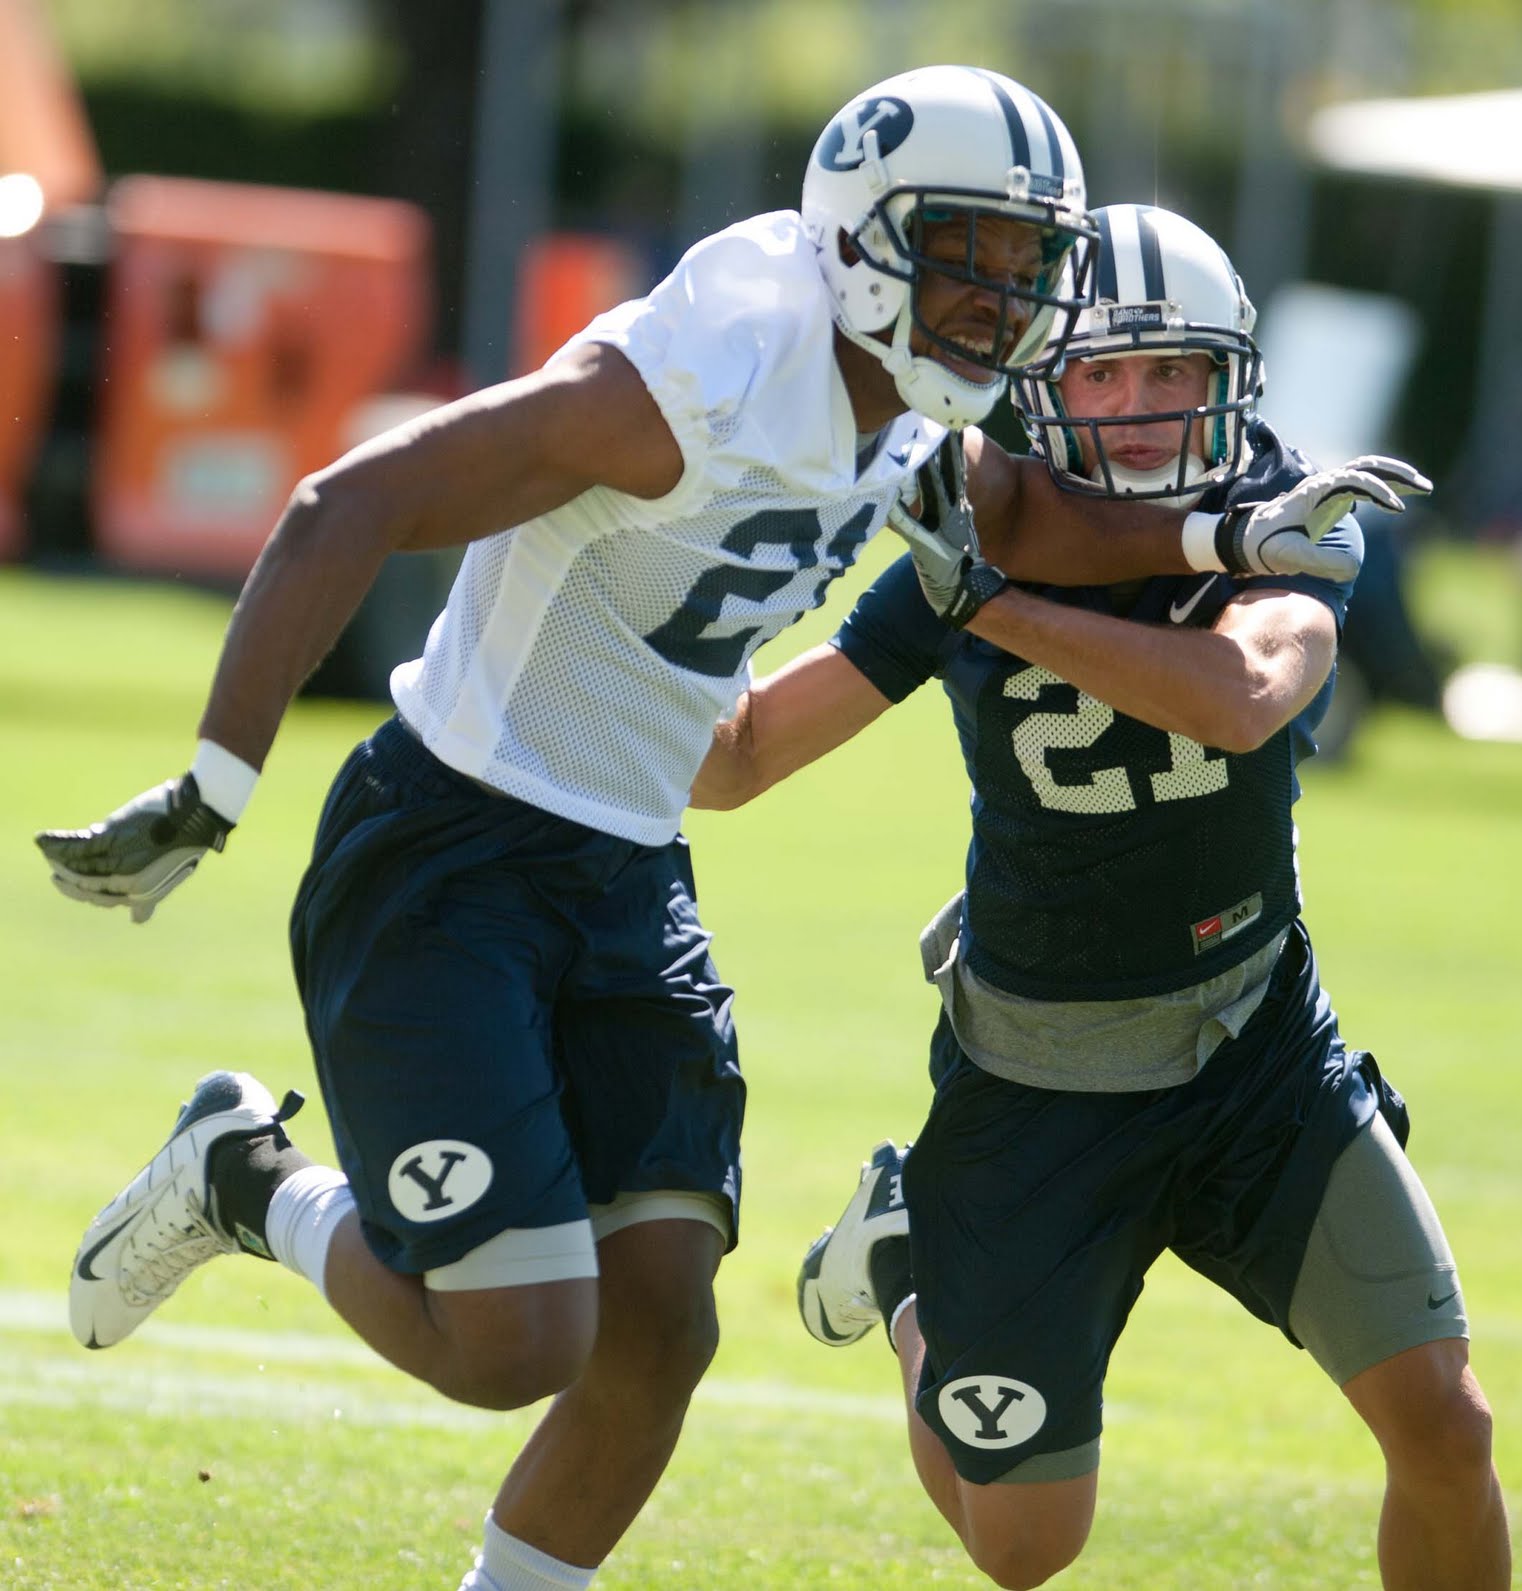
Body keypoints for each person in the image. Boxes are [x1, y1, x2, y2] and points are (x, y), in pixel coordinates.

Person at [37, 65, 1394, 1588]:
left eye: (1028, 264)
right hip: (453, 845)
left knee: (663, 1324)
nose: (1001, 300)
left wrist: (1223, 530)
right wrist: (214, 787)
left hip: (629, 866)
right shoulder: (708, 371)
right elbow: (343, 503)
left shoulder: (917, 404)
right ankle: (249, 1182)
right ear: (868, 236)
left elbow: (1020, 508)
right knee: (515, 1342)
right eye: (972, 254)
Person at [691, 204, 1508, 1591]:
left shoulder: (1288, 510)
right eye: (1101, 375)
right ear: (1040, 382)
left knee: (1445, 1416)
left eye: (1171, 374)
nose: (1136, 409)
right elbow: (749, 758)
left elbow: (1243, 699)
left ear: (1229, 379)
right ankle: (906, 1272)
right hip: (1037, 1081)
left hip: (1259, 1054)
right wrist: (624, 632)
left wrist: (989, 606)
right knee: (1025, 1550)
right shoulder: (983, 508)